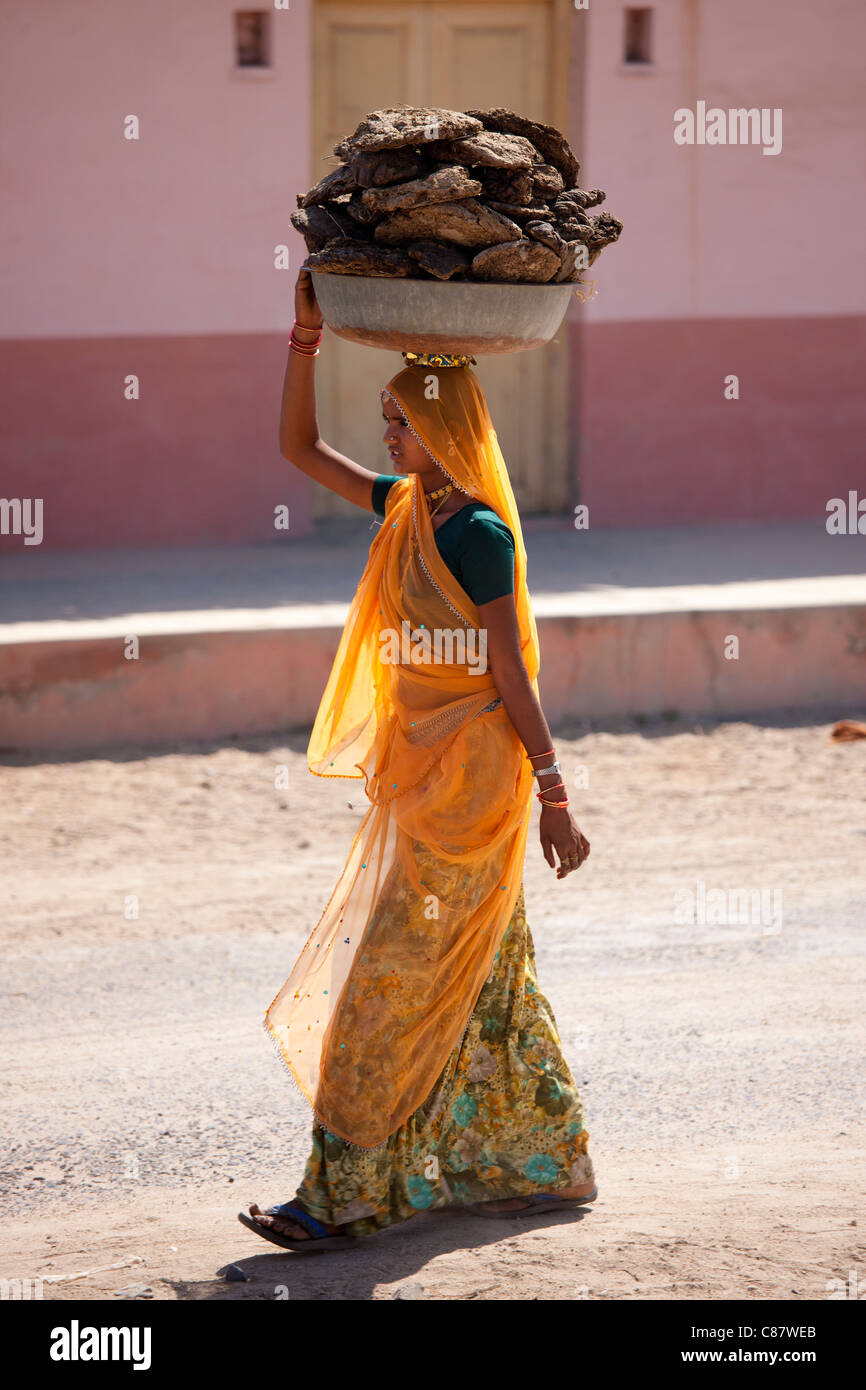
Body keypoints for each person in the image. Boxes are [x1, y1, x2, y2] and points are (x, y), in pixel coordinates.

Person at [238, 265, 595, 1252]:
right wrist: (301, 337)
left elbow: (509, 672)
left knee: (381, 987)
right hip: (416, 780)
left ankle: (340, 1196)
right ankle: (532, 1159)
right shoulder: (403, 507)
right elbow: (297, 448)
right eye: (389, 422)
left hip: (474, 788)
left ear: (440, 429)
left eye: (399, 422)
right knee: (483, 972)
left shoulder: (477, 534)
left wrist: (552, 792)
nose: (388, 436)